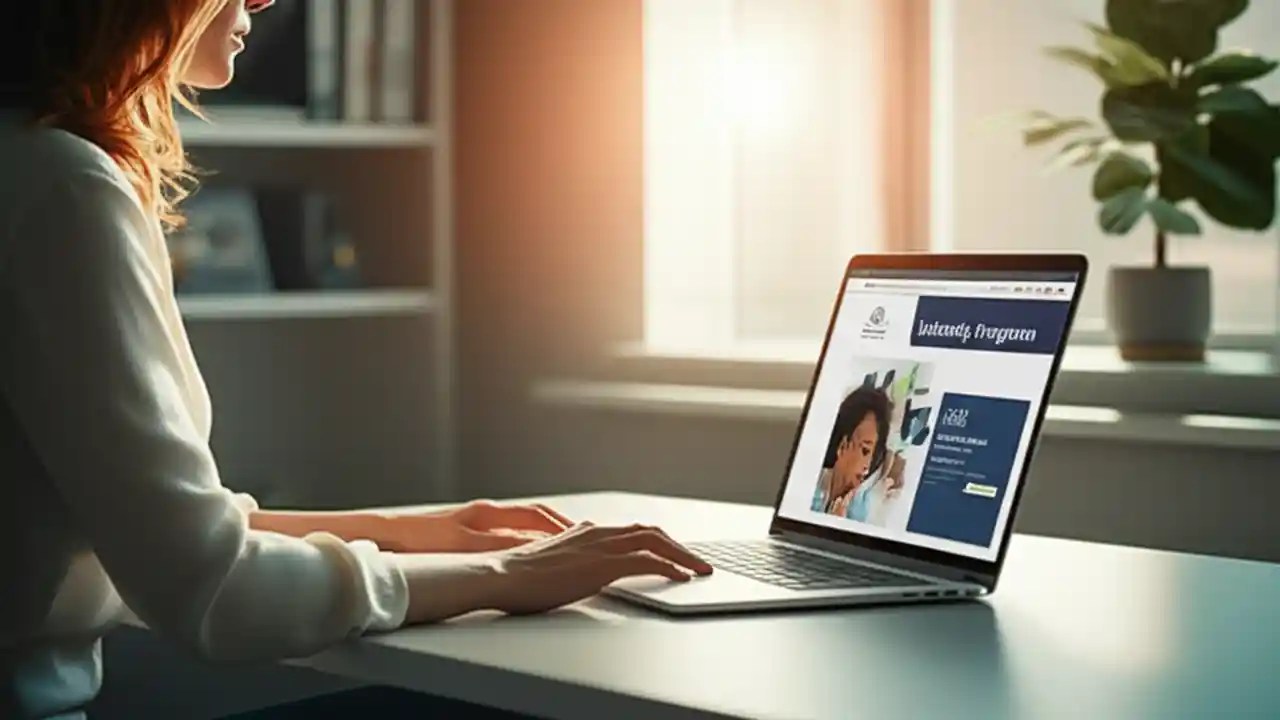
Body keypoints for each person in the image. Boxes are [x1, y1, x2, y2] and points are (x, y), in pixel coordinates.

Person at [0, 2, 711, 718]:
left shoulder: (35, 163)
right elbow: (210, 589)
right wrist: (502, 574)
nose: (263, 0)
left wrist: (422, 531)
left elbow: (172, 532)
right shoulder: (62, 185)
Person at [811, 386, 891, 522]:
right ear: (842, 446)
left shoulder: (861, 509)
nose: (867, 466)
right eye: (865, 451)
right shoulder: (810, 486)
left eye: (873, 455)